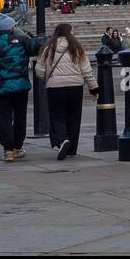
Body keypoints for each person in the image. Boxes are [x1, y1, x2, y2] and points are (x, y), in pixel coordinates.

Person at [35, 22, 99, 160]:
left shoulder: (48, 48)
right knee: (74, 117)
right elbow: (87, 71)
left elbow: (39, 70)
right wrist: (94, 88)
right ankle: (72, 147)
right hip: (75, 87)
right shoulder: (76, 48)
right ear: (70, 32)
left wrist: (48, 78)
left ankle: (62, 139)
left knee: (57, 116)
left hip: (55, 88)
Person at [0, 14, 36, 162]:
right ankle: (17, 147)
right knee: (20, 117)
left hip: (0, 88)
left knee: (4, 118)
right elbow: (36, 47)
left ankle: (8, 150)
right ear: (12, 28)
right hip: (20, 86)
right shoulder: (22, 41)